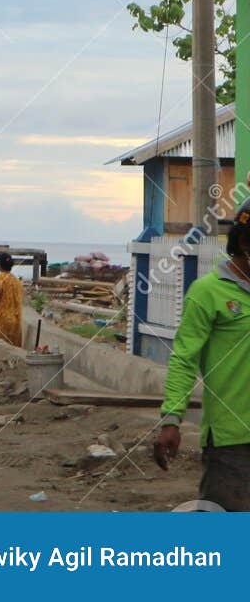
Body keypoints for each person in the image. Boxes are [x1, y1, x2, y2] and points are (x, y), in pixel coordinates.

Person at [151, 199, 250, 511]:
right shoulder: (208, 292)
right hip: (231, 441)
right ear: (244, 242)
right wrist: (171, 419)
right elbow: (184, 357)